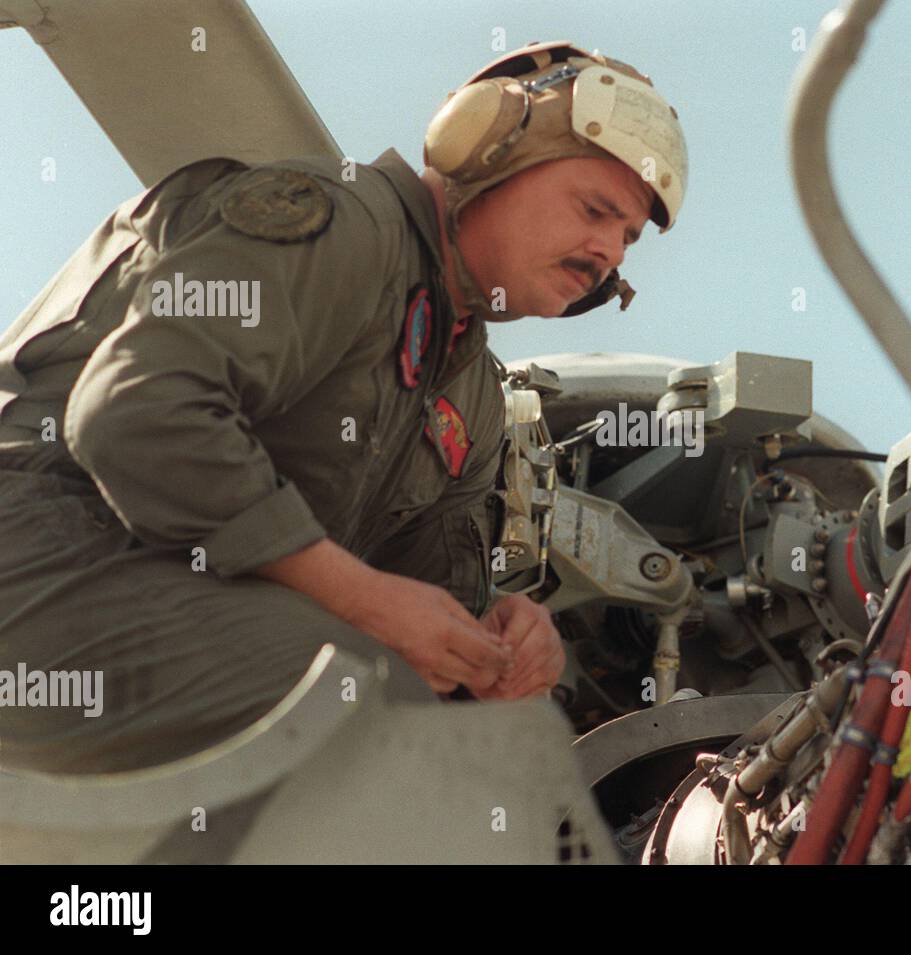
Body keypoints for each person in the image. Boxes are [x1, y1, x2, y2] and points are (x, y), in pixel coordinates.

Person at [0, 42, 688, 773]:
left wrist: (498, 650)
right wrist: (357, 598)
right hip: (45, 556)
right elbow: (134, 412)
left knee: (472, 761)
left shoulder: (472, 396)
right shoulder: (343, 223)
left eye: (627, 239)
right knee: (375, 720)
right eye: (594, 210)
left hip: (181, 611)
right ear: (485, 151)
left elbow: (422, 607)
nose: (607, 253)